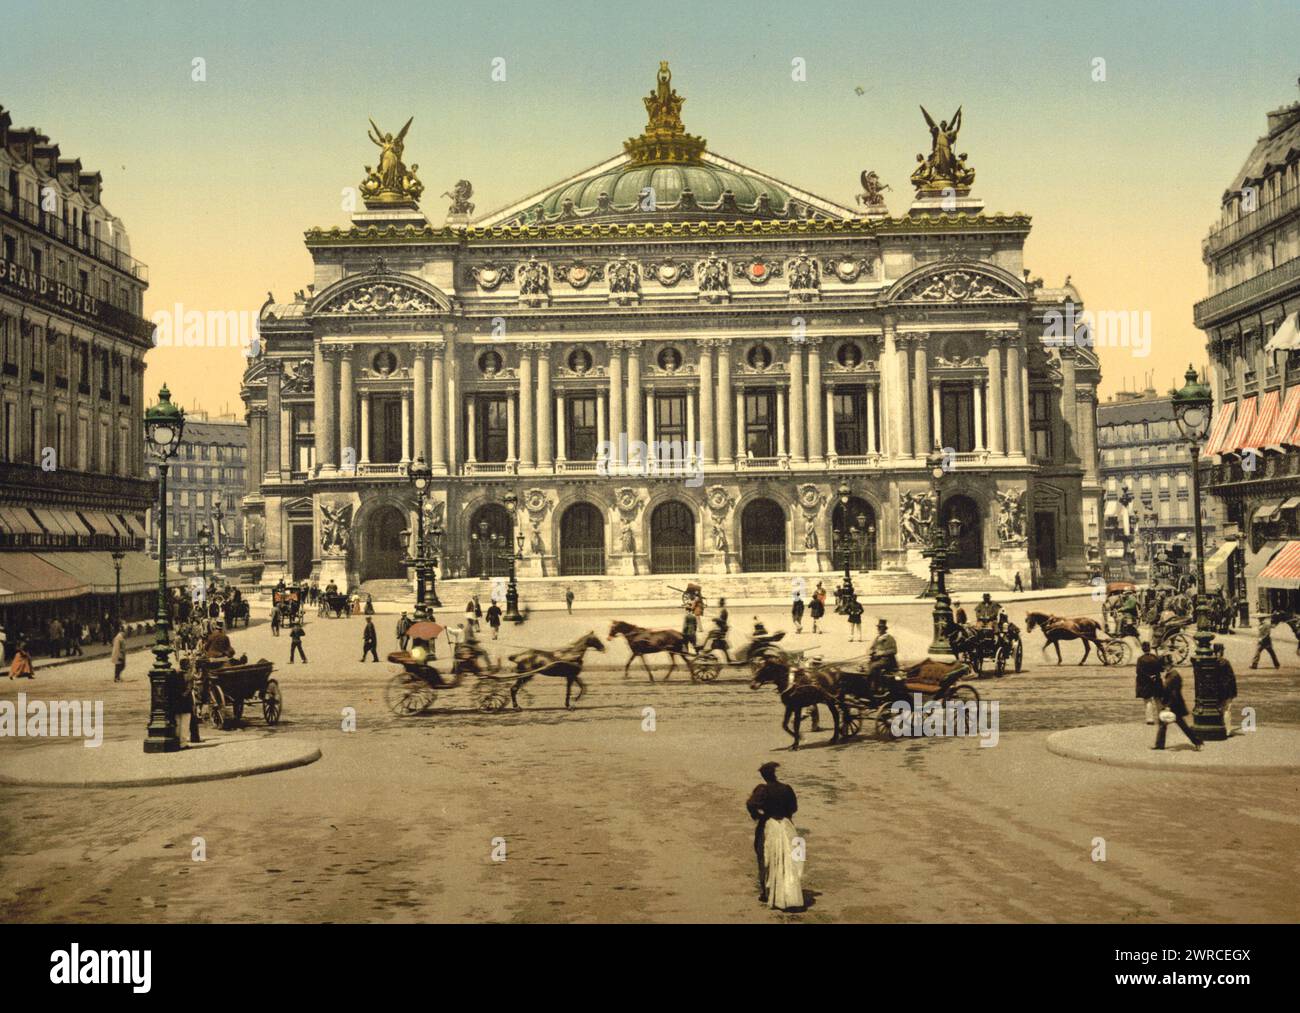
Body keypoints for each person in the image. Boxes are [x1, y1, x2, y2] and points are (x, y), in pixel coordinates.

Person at [745, 762, 803, 910]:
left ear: (764, 776)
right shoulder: (786, 789)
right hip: (786, 825)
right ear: (774, 774)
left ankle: (767, 892)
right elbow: (793, 808)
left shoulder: (762, 790)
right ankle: (790, 891)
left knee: (765, 858)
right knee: (792, 858)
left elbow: (751, 804)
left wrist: (758, 816)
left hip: (769, 825)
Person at [1153, 659, 1203, 751]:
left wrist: (1168, 706)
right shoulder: (1173, 675)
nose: (1163, 669)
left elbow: (1173, 693)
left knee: (1181, 725)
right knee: (1165, 724)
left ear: (1167, 666)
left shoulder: (1173, 676)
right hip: (1175, 704)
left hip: (1174, 705)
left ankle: (1197, 740)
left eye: (1164, 667)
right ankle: (1159, 744)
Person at [1134, 641, 1163, 725]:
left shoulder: (1140, 659)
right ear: (1149, 648)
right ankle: (1161, 718)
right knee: (1158, 700)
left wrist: (1148, 676)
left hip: (1145, 683)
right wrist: (1154, 676)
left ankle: (1150, 719)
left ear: (1142, 649)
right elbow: (1161, 669)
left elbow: (1138, 671)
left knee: (1147, 701)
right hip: (1156, 681)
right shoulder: (1155, 657)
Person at [1214, 643, 1238, 736]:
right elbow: (1231, 678)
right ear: (1221, 652)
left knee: (1219, 709)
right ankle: (1228, 730)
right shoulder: (1225, 663)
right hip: (1227, 690)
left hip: (1217, 691)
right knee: (1227, 710)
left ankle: (1220, 728)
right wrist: (1234, 692)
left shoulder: (1212, 662)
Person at [867, 619, 899, 686]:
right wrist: (871, 651)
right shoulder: (877, 638)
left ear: (884, 629)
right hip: (877, 659)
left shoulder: (889, 638)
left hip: (887, 660)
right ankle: (867, 685)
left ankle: (876, 686)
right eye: (878, 627)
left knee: (874, 667)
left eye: (880, 628)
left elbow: (894, 650)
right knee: (865, 667)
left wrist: (881, 653)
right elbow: (871, 648)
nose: (878, 629)